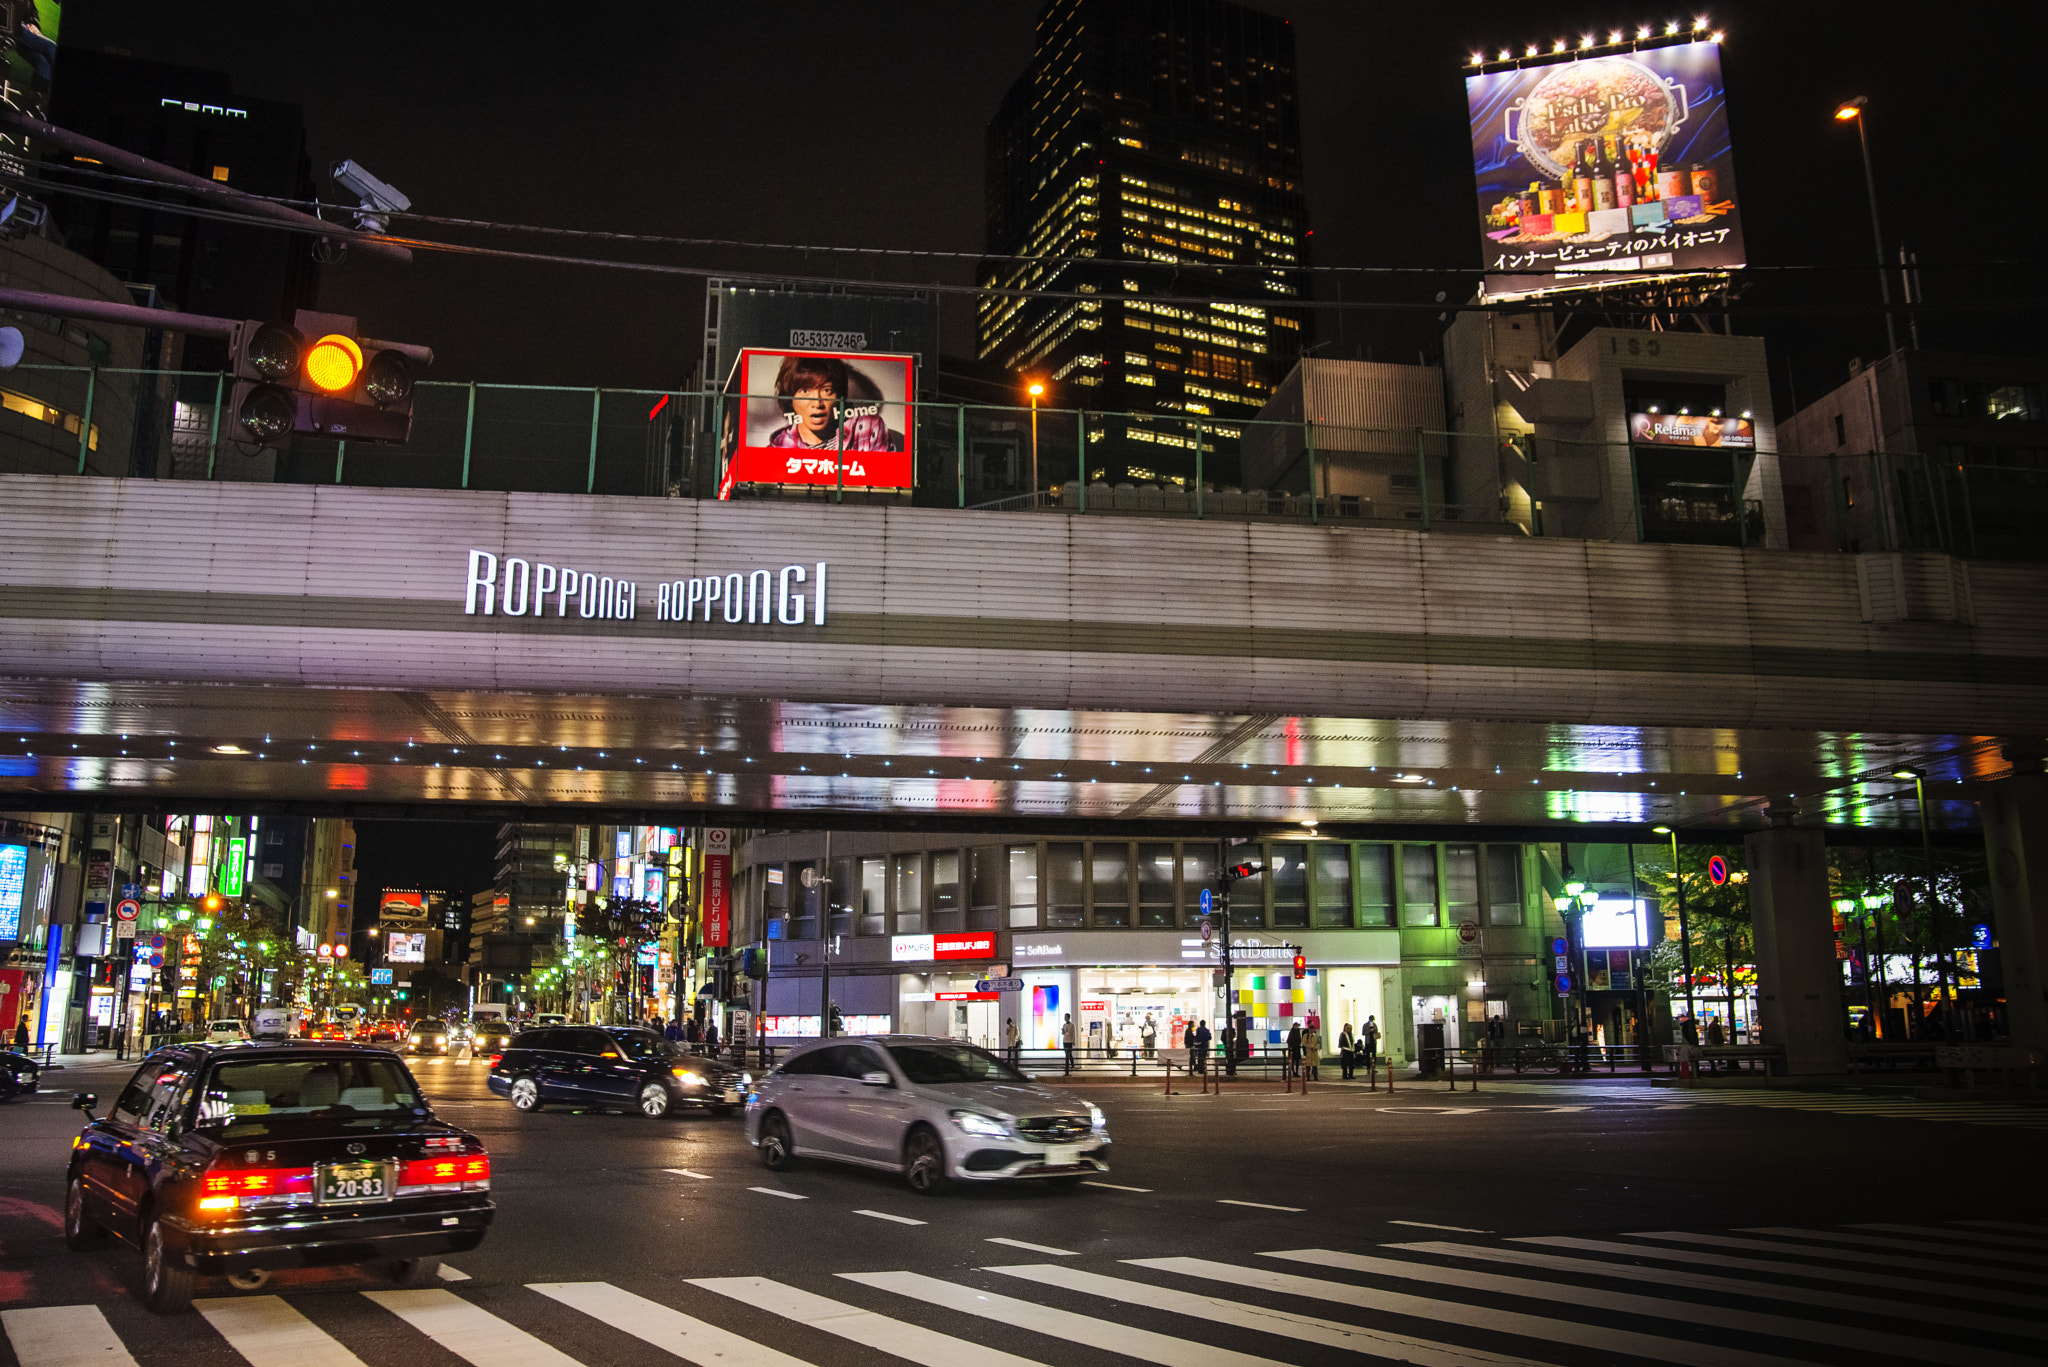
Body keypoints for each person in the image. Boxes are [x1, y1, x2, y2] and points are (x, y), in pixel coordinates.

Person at [1360, 1015, 1381, 1082]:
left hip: (1373, 1042)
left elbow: (1377, 1032)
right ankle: (1368, 1068)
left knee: (1374, 1056)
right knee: (1367, 1056)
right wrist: (1369, 1031)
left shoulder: (1374, 1024)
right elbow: (1363, 1033)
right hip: (1368, 1042)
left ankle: (1373, 1068)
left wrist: (1375, 1031)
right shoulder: (1365, 1025)